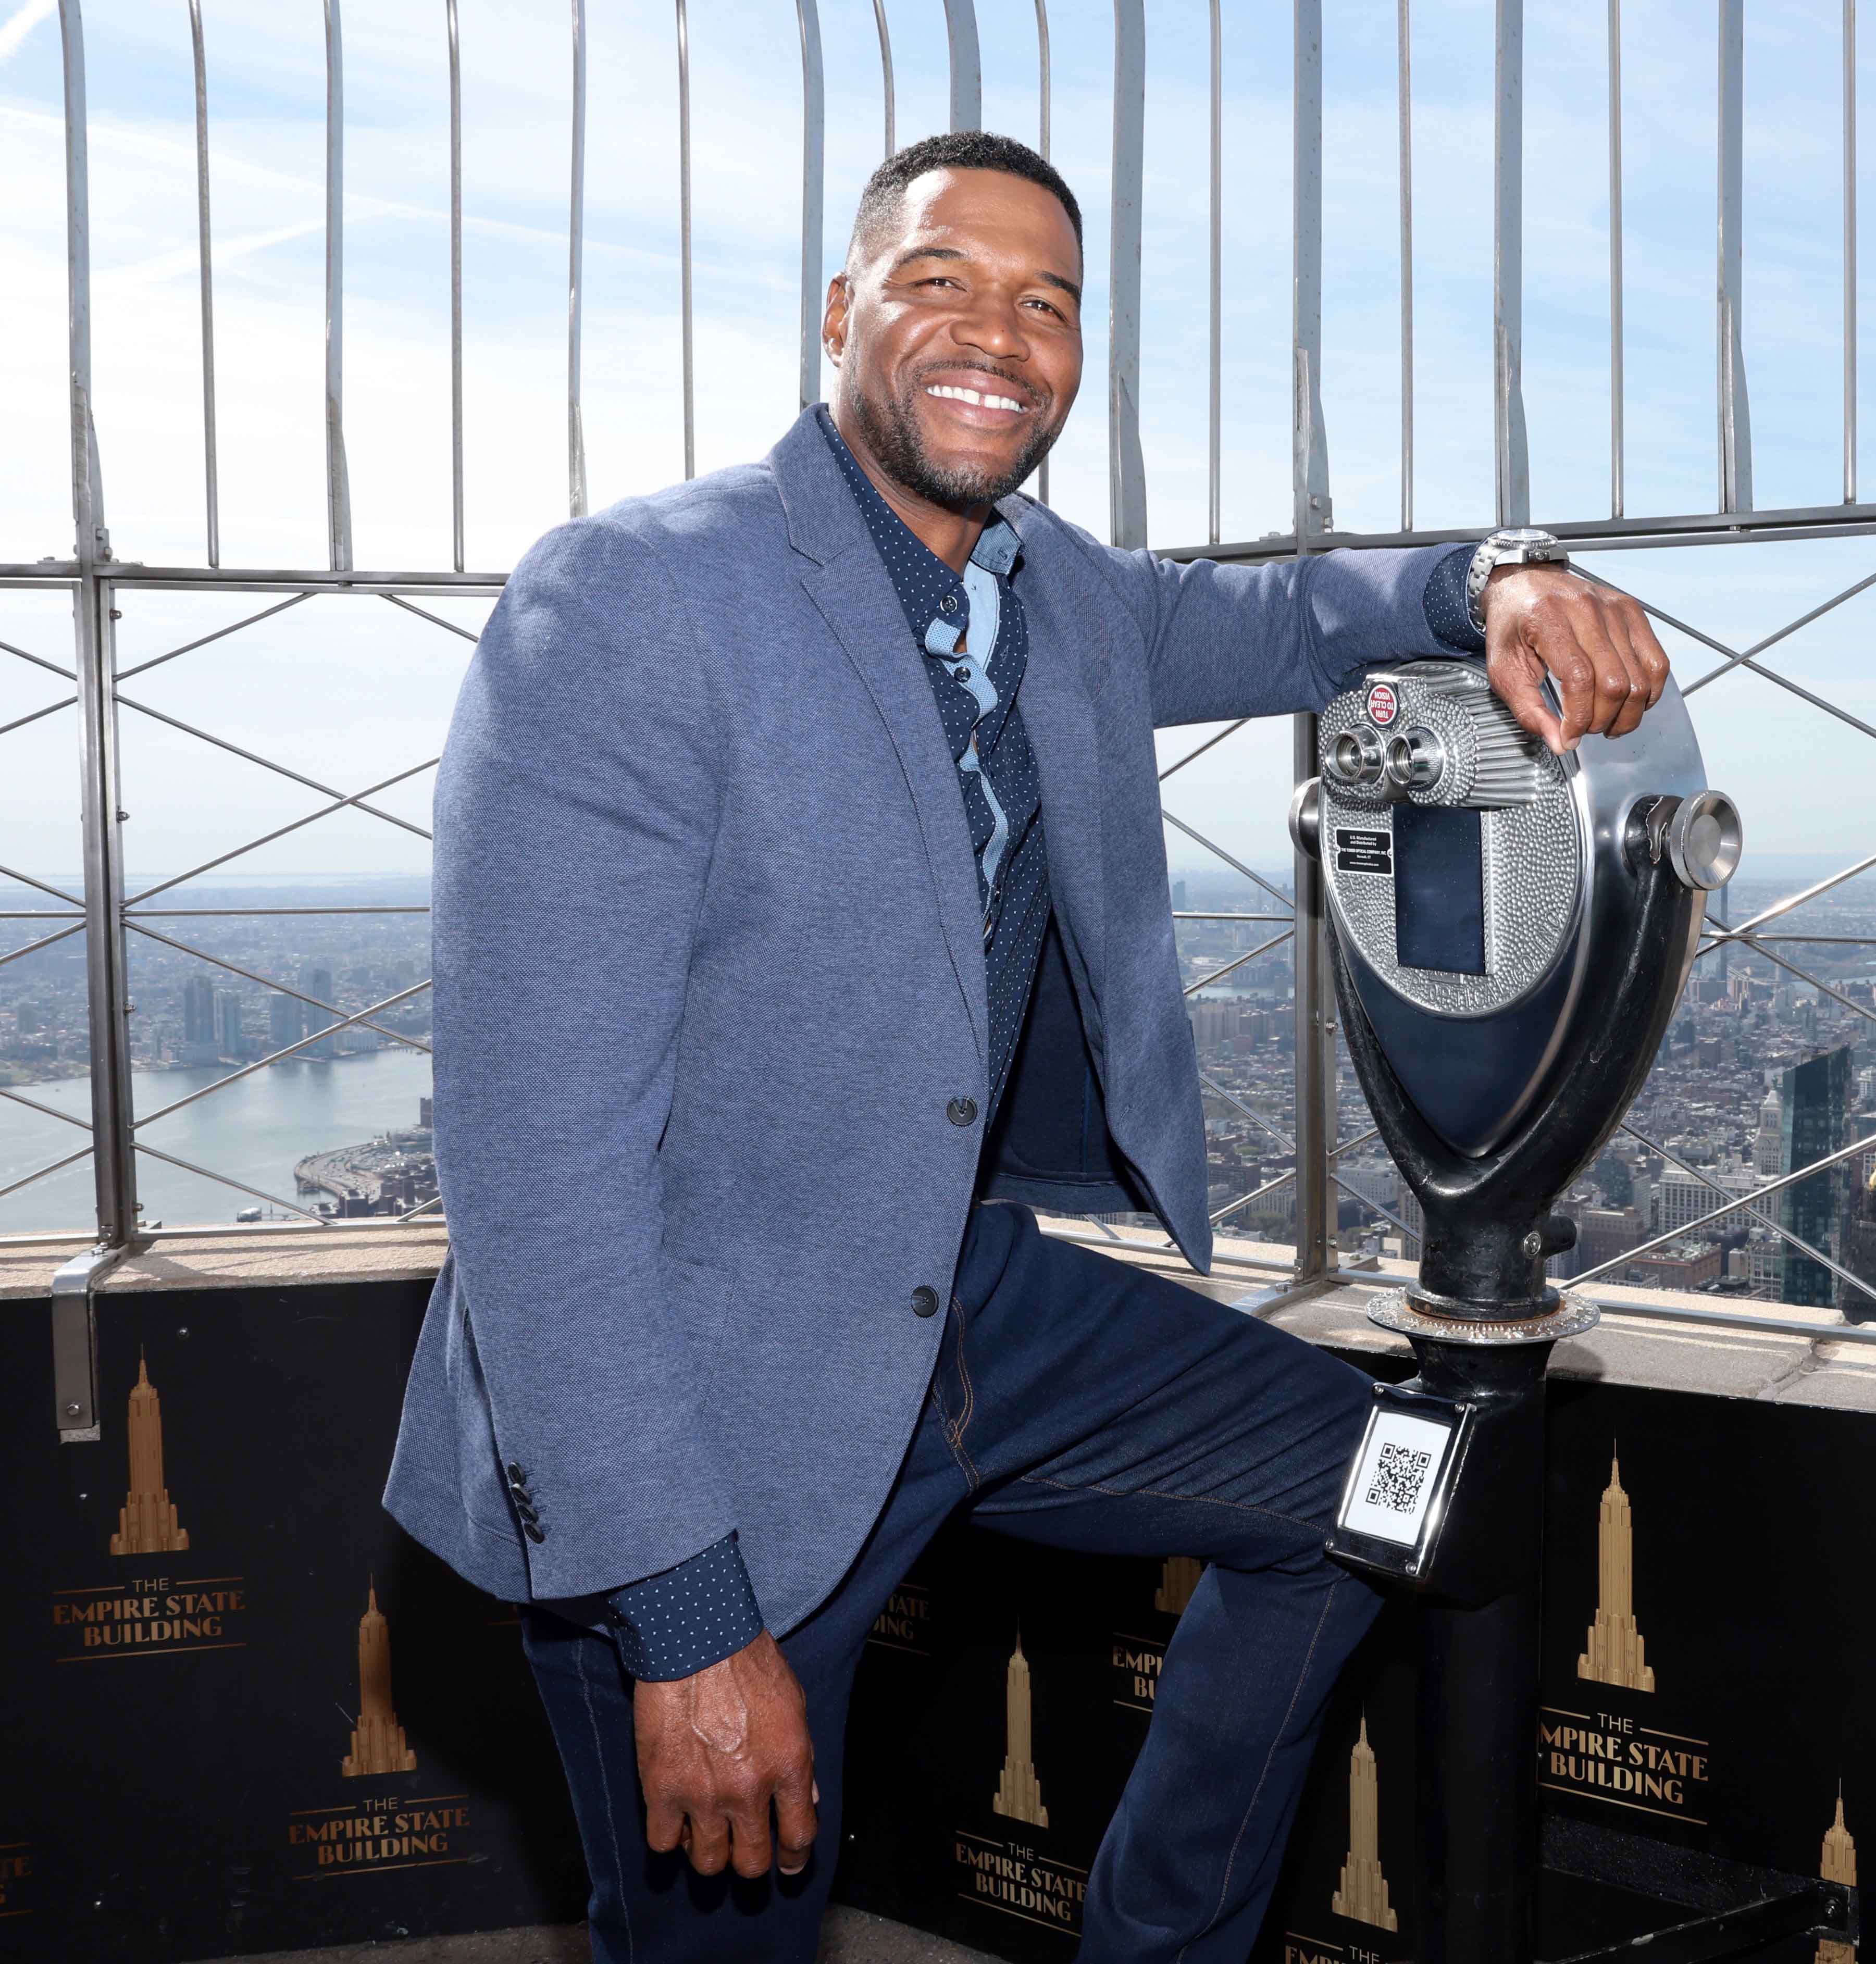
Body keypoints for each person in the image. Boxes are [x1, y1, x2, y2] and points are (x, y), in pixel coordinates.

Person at [382, 129, 1669, 1963]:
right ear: (842, 315)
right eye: (940, 282)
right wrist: (677, 1610)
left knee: (1367, 1493)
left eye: (1044, 301)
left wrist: (1502, 575)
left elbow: (1297, 614)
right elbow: (533, 1170)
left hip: (965, 1297)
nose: (997, 331)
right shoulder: (633, 603)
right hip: (706, 1389)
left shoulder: (1056, 593)